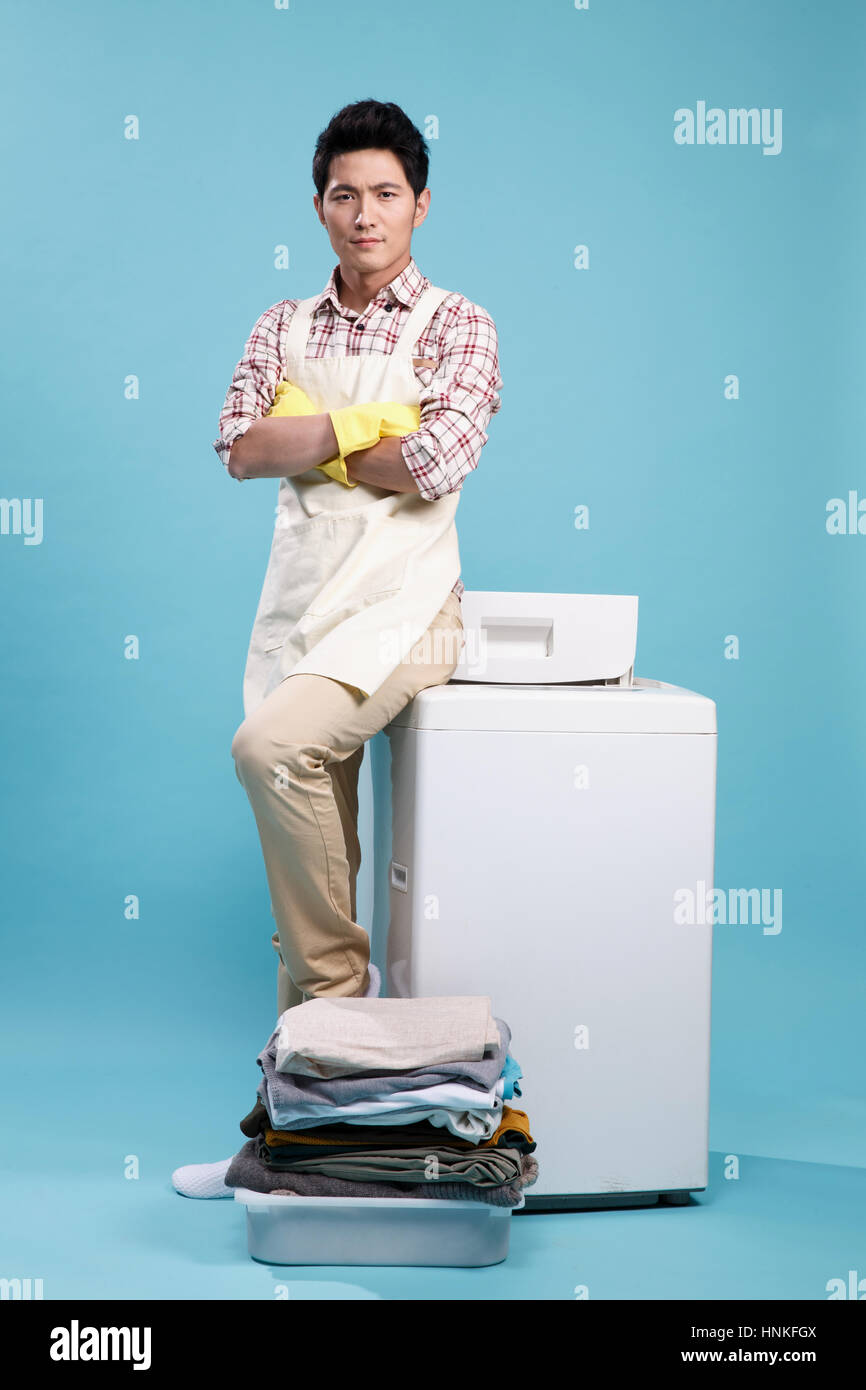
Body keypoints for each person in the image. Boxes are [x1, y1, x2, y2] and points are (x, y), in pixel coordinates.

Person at [172, 97, 502, 1198]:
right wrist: (366, 425)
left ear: (420, 204)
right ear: (319, 207)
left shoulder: (458, 323)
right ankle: (294, 1144)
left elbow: (431, 463)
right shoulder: (282, 322)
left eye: (385, 193)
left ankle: (338, 1024)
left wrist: (313, 434)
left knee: (271, 753)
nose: (364, 213)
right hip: (307, 609)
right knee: (308, 852)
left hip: (409, 605)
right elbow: (236, 446)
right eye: (343, 194)